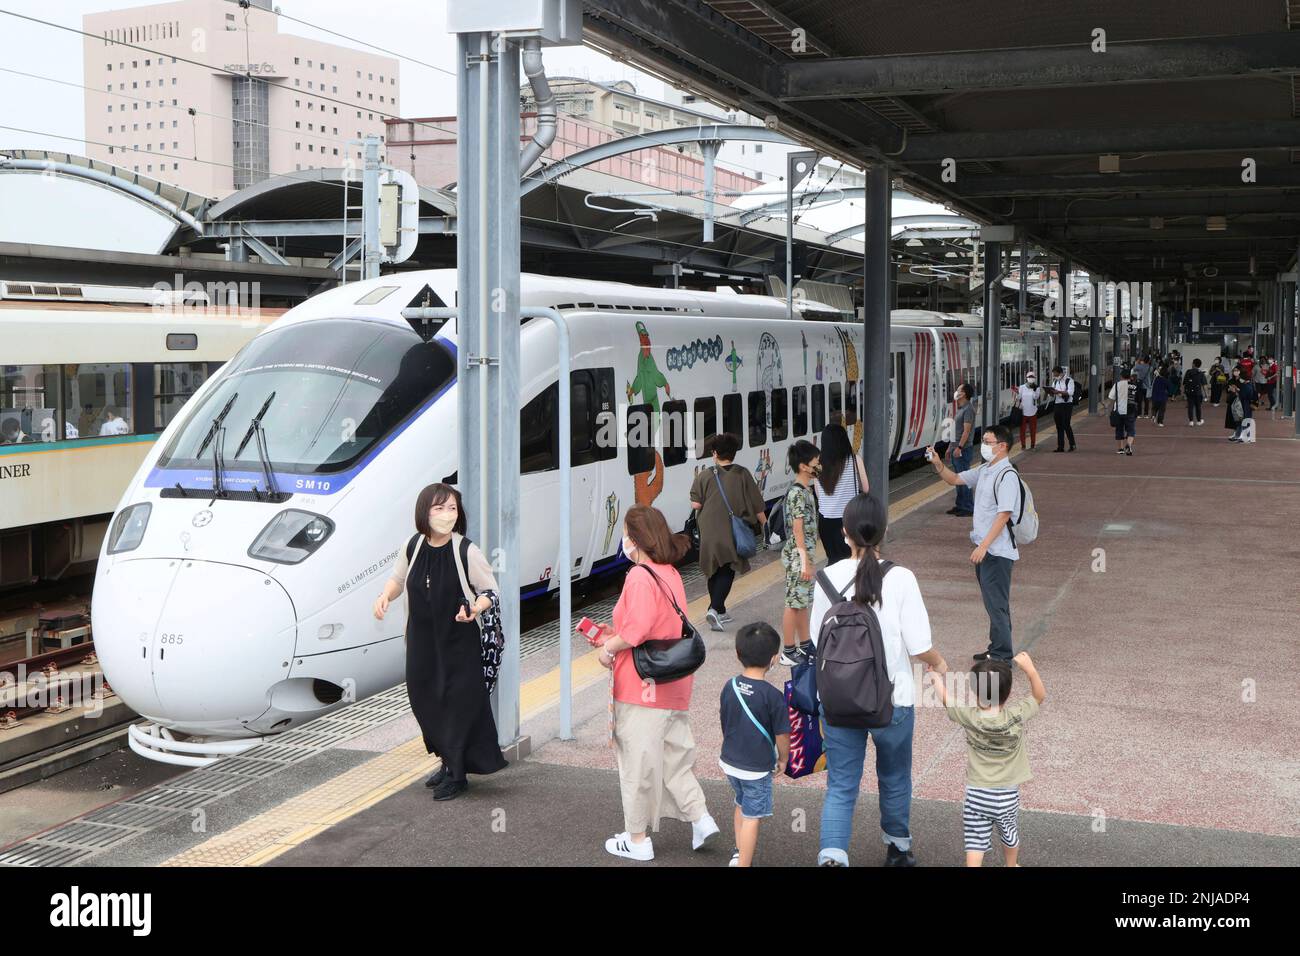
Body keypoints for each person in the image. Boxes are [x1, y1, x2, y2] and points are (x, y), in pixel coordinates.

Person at [809, 493, 948, 867]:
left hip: (839, 700)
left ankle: (833, 856)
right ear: (884, 531)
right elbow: (920, 646)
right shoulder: (901, 578)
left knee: (840, 783)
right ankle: (898, 850)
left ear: (844, 532)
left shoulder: (826, 579)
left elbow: (814, 640)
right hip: (894, 699)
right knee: (895, 776)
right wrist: (940, 664)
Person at [591, 505, 719, 861]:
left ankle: (637, 840)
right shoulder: (669, 573)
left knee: (637, 765)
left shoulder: (639, 575)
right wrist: (614, 634)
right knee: (675, 760)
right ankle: (701, 818)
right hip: (674, 686)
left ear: (633, 540)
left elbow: (639, 628)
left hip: (642, 685)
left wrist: (609, 647)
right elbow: (658, 625)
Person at [374, 483, 507, 801]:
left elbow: (491, 591)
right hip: (422, 642)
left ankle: (458, 774)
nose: (447, 514)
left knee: (458, 705)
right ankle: (448, 761)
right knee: (425, 699)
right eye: (439, 508)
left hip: (459, 644)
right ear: (424, 512)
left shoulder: (467, 551)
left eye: (452, 508)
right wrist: (385, 596)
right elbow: (397, 578)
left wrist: (475, 608)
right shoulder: (412, 546)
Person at [926, 651, 1046, 867]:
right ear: (1008, 693)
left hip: (977, 793)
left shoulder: (969, 716)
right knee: (1009, 833)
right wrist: (1030, 670)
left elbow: (947, 700)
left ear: (975, 692)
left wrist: (935, 678)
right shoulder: (1015, 715)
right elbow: (1039, 696)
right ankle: (1011, 865)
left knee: (975, 841)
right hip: (1007, 794)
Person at [926, 425, 1021, 662]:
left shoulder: (1007, 475)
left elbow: (1004, 514)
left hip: (997, 552)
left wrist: (984, 546)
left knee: (997, 604)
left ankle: (1002, 656)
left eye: (988, 442)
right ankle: (996, 647)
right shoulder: (986, 470)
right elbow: (955, 479)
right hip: (987, 549)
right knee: (993, 603)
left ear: (1002, 446)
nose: (984, 446)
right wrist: (938, 463)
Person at [718, 622, 789, 867]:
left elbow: (725, 721)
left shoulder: (730, 686)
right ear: (774, 658)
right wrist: (783, 758)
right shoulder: (773, 696)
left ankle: (738, 853)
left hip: (730, 762)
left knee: (741, 802)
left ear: (738, 654)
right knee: (752, 817)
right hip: (756, 769)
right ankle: (743, 864)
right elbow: (782, 735)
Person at [690, 433, 766, 632]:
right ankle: (714, 609)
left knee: (714, 568)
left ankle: (720, 609)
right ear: (733, 454)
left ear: (714, 454)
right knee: (728, 567)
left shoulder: (705, 475)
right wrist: (767, 526)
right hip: (730, 529)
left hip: (708, 529)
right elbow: (757, 505)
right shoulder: (742, 474)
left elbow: (696, 503)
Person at [779, 439, 821, 666]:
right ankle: (788, 649)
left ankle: (805, 644)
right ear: (804, 466)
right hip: (799, 556)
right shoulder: (797, 493)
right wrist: (804, 561)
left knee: (802, 601)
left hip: (804, 554)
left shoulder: (805, 489)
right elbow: (797, 530)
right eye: (816, 462)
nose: (819, 466)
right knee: (793, 602)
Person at [814, 423, 869, 564]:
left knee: (833, 559)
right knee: (851, 559)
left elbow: (818, 494)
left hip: (826, 521)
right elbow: (866, 488)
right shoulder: (855, 460)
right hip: (849, 519)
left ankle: (832, 584)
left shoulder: (818, 465)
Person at [947, 382, 976, 517]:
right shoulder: (960, 408)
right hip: (956, 448)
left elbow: (966, 431)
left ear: (964, 393)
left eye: (958, 390)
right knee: (958, 478)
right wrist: (950, 448)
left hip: (963, 449)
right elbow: (955, 430)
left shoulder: (968, 409)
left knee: (964, 478)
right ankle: (960, 505)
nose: (956, 391)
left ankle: (968, 507)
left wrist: (959, 447)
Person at [1107, 367, 1139, 454]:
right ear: (1130, 376)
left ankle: (1120, 449)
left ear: (1121, 376)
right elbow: (1137, 398)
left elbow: (1111, 397)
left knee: (1119, 429)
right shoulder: (1134, 386)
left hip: (1119, 410)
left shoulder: (1117, 385)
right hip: (1131, 410)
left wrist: (1111, 407)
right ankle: (1128, 444)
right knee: (1131, 430)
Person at [1047, 366, 1076, 452]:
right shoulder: (1055, 381)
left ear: (1061, 373)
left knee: (1066, 424)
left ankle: (1072, 444)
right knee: (1059, 426)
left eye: (1056, 374)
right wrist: (1049, 392)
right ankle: (1060, 447)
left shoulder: (1069, 380)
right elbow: (1052, 393)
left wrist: (1058, 392)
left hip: (1067, 405)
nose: (1055, 376)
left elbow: (1070, 392)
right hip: (1057, 404)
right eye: (1054, 375)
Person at [1014, 370, 1043, 450]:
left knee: (1032, 429)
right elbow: (1019, 397)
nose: (1031, 378)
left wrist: (1033, 390)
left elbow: (1036, 397)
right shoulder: (1022, 387)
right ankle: (1023, 445)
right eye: (1029, 377)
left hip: (1033, 411)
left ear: (1035, 378)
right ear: (1026, 378)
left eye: (1032, 377)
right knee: (1022, 430)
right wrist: (1016, 393)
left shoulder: (1036, 388)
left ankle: (1032, 445)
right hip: (1023, 411)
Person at [1228, 371, 1257, 443]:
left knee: (1244, 421)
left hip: (1245, 405)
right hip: (1246, 405)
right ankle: (1240, 436)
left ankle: (1246, 437)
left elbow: (1242, 396)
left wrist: (1235, 391)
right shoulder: (1249, 385)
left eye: (1240, 378)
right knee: (1243, 420)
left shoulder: (1246, 386)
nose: (1240, 379)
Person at [1183, 358, 1206, 426]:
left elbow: (1184, 383)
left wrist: (1183, 393)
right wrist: (1206, 394)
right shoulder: (1201, 373)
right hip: (1198, 393)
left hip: (1189, 392)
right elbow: (1204, 385)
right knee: (1198, 407)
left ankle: (1191, 421)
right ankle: (1198, 421)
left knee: (1190, 407)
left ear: (1193, 364)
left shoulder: (1188, 372)